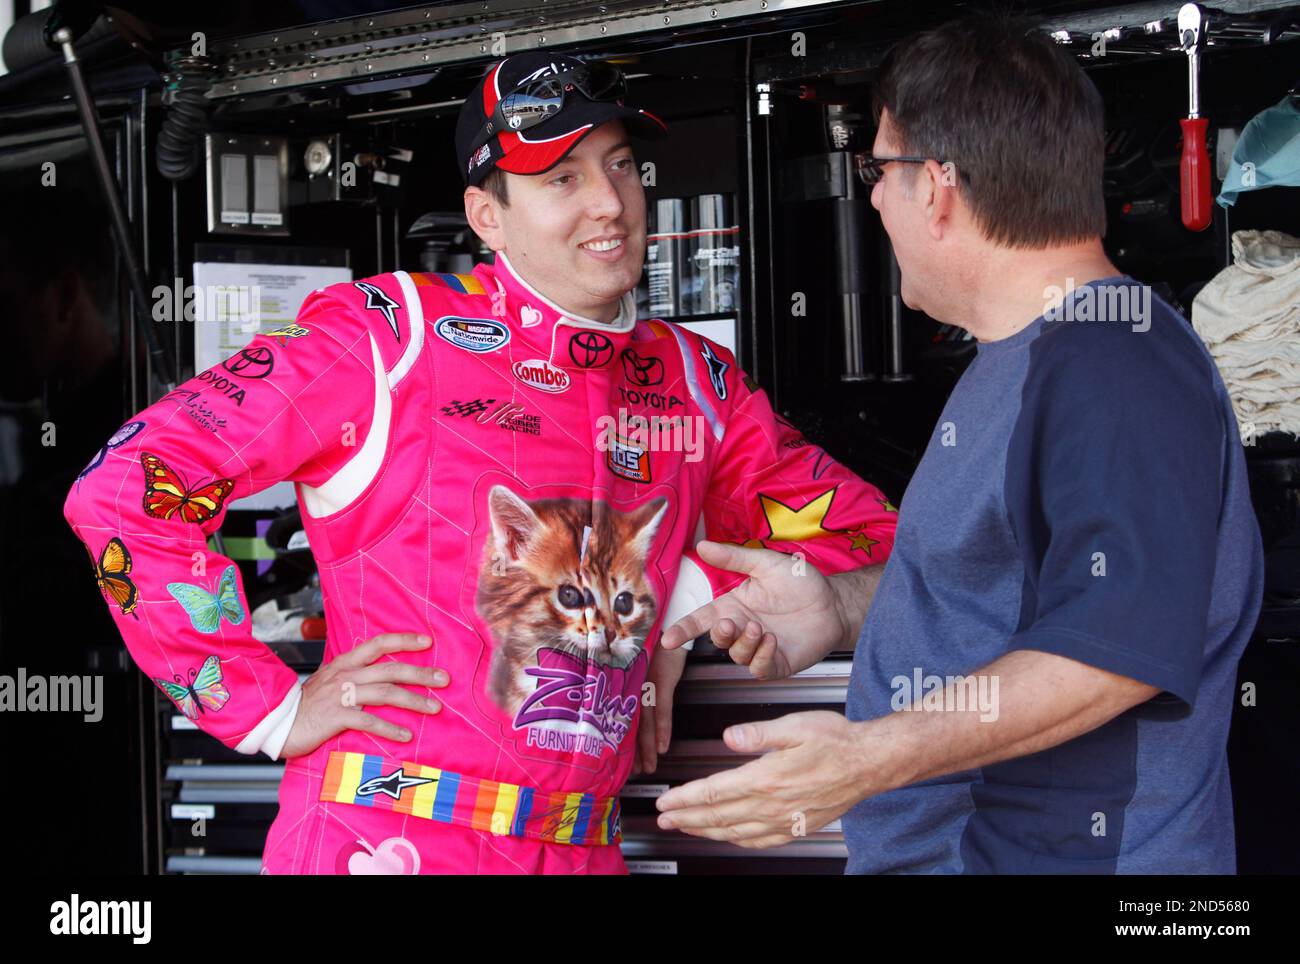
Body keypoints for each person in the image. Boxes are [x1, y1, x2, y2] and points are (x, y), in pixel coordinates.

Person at [62, 52, 899, 875]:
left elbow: (877, 546)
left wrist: (673, 602)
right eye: (561, 179)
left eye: (620, 166)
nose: (609, 203)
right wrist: (267, 708)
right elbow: (127, 486)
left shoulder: (694, 381)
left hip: (586, 847)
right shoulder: (389, 336)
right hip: (388, 839)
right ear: (486, 216)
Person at [655, 14, 1265, 874]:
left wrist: (867, 757)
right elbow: (997, 590)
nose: (870, 197)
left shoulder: (1114, 365)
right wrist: (837, 607)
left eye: (880, 168)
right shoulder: (1024, 358)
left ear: (936, 186)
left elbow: (1110, 654)